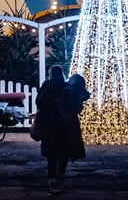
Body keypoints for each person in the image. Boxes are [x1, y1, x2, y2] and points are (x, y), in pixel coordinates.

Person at [35, 66, 91, 194]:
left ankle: (53, 179)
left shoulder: (49, 87)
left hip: (52, 126)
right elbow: (77, 104)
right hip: (64, 126)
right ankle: (59, 176)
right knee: (62, 153)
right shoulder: (66, 87)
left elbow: (39, 102)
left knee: (53, 155)